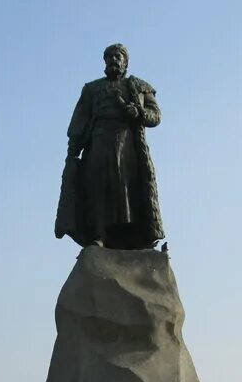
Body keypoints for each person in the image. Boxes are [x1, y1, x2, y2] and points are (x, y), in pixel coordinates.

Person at [56, 43, 164, 250]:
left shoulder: (139, 86)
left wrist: (139, 112)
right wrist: (73, 150)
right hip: (98, 142)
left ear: (125, 62)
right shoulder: (92, 89)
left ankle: (134, 236)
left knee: (128, 189)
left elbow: (156, 115)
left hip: (128, 145)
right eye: (109, 57)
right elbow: (79, 120)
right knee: (97, 188)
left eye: (117, 56)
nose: (113, 60)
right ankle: (99, 234)